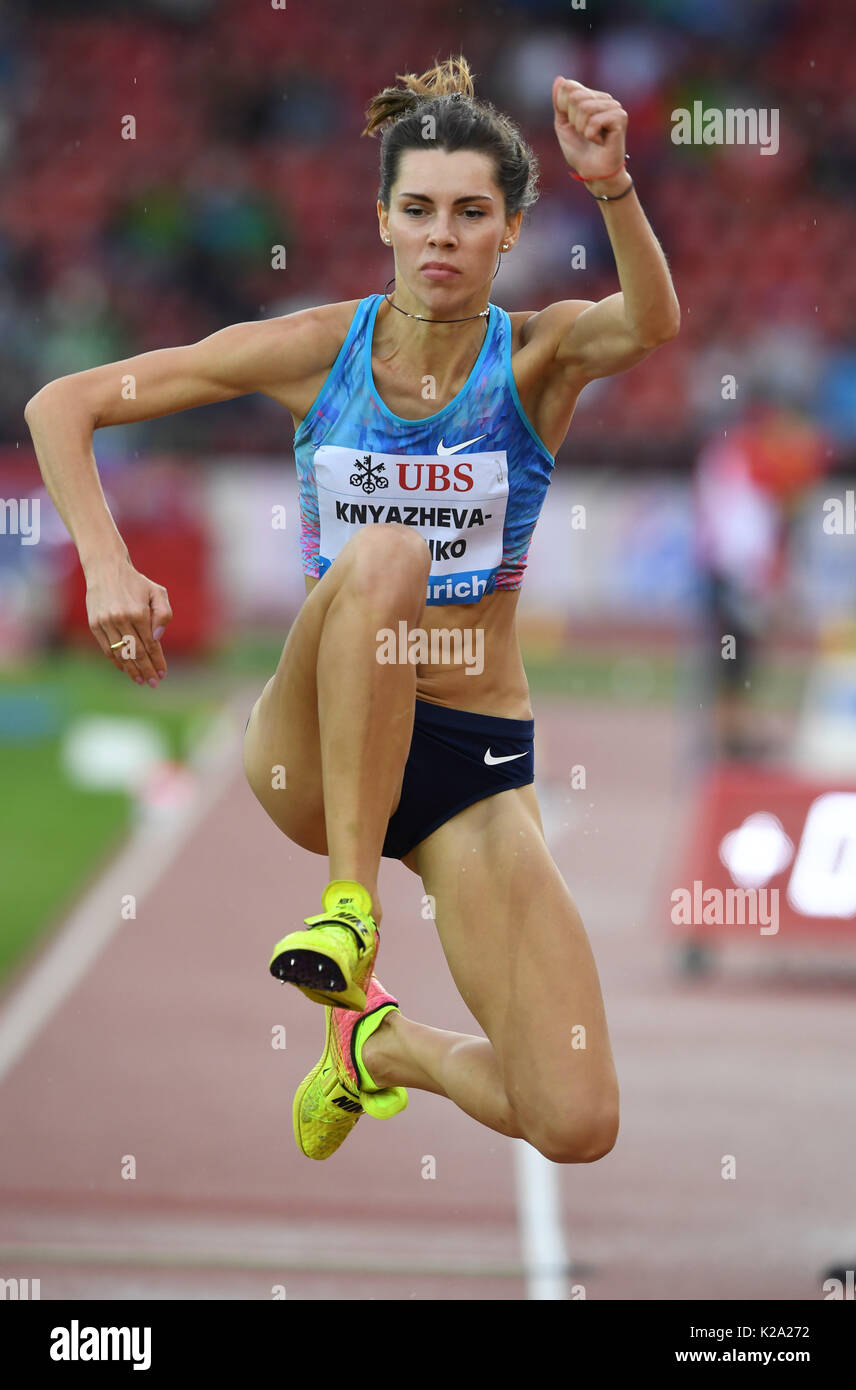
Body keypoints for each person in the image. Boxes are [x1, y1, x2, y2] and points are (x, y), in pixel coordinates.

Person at [25, 56, 680, 1164]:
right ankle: (349, 909)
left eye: (470, 213)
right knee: (383, 555)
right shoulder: (320, 349)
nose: (440, 236)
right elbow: (64, 402)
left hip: (468, 768)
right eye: (417, 210)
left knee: (573, 1118)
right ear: (381, 218)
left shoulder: (536, 359)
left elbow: (653, 324)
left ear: (508, 229)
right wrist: (108, 562)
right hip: (314, 753)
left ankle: (375, 1046)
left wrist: (611, 185)